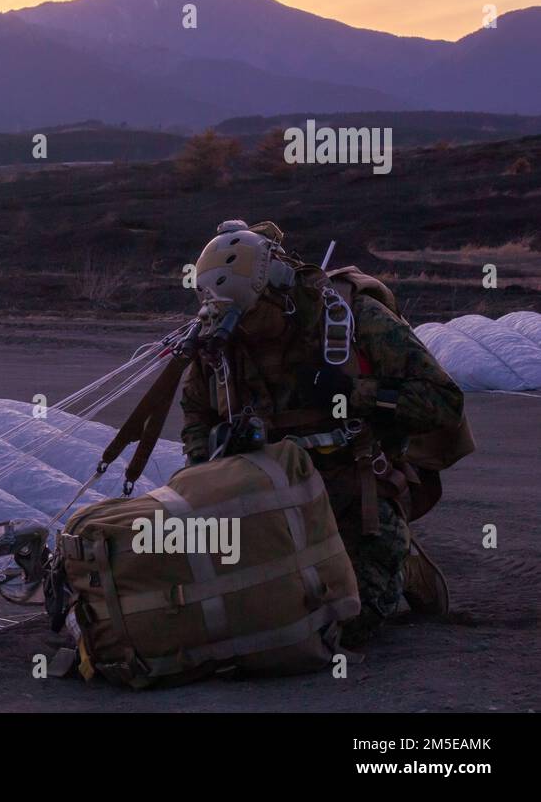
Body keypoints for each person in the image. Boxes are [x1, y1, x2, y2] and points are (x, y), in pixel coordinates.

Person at [179, 219, 464, 644]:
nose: (242, 329)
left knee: (342, 625)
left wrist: (356, 392)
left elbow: (444, 403)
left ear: (277, 289)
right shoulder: (221, 338)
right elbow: (196, 414)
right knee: (234, 614)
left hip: (351, 491)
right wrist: (209, 470)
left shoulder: (351, 320)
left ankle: (402, 558)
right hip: (262, 498)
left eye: (251, 316)